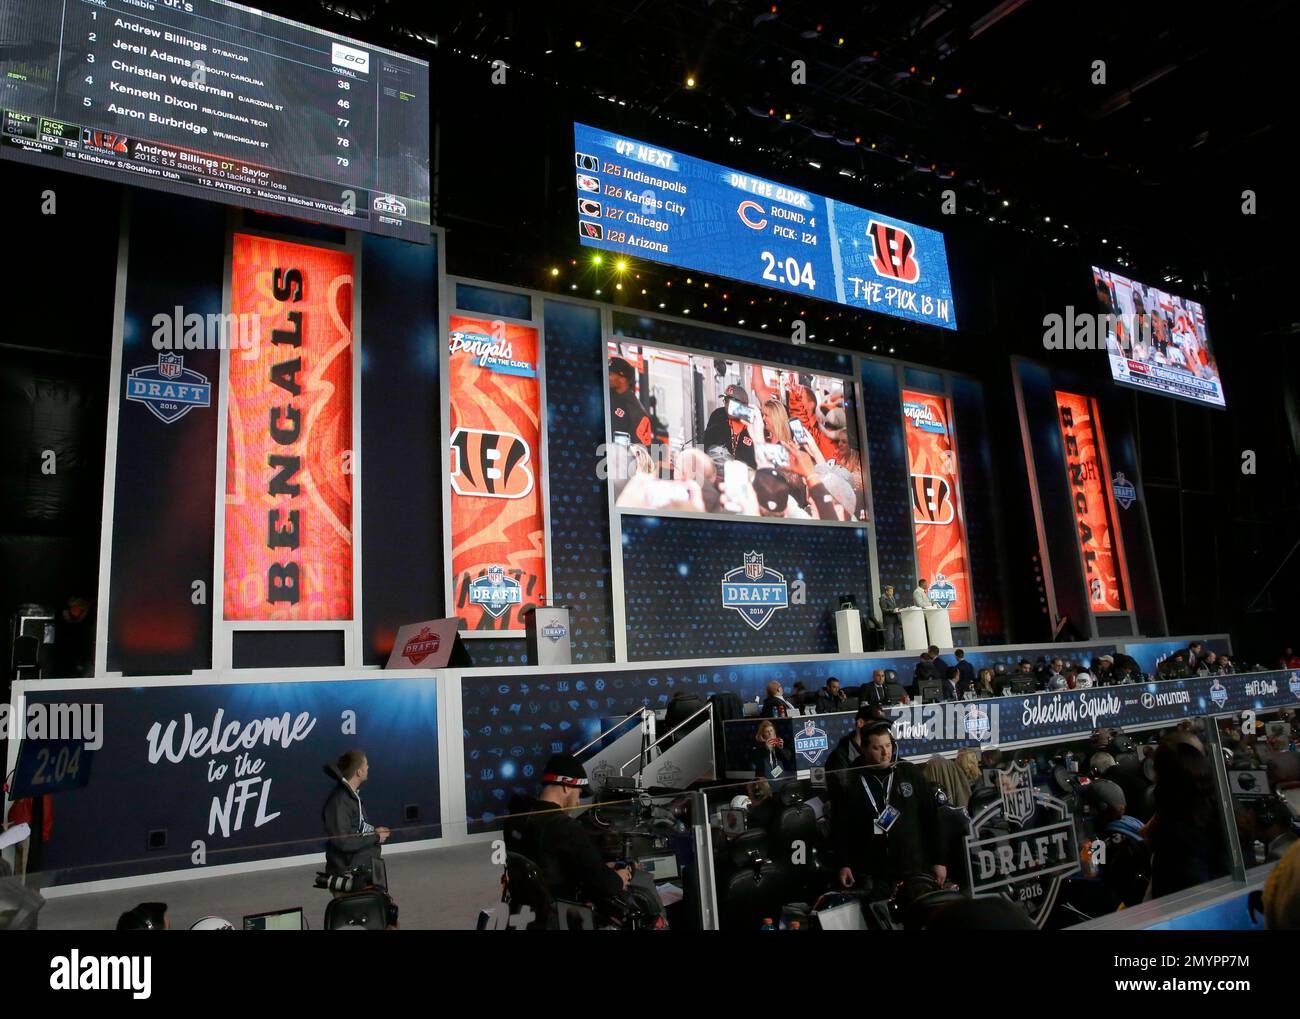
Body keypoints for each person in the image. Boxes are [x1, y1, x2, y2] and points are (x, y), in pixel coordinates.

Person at [829, 720, 945, 891]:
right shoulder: (850, 779)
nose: (885, 753)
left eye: (888, 745)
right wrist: (844, 864)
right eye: (878, 748)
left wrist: (939, 860)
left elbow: (931, 818)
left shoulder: (909, 772)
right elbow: (840, 827)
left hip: (913, 865)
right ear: (864, 749)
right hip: (871, 870)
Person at [504, 753, 630, 910]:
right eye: (578, 794)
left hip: (524, 908)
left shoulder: (515, 819)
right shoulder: (566, 827)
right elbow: (606, 885)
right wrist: (617, 879)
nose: (577, 802)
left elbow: (547, 862)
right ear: (567, 786)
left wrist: (600, 867)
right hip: (559, 911)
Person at [1148, 735, 1231, 899]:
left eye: (1157, 772)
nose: (1153, 779)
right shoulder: (1223, 808)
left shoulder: (1177, 833)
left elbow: (1189, 892)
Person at [322, 750, 390, 881]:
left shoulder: (351, 797)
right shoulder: (339, 802)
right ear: (359, 772)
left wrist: (373, 833)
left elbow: (355, 829)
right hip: (346, 872)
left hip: (361, 867)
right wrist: (375, 837)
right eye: (366, 764)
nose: (368, 767)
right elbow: (343, 842)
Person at [1084, 779, 1151, 910]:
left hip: (1124, 904)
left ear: (1101, 808)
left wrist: (1089, 835)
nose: (1089, 811)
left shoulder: (1104, 839)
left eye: (1091, 807)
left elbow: (1094, 871)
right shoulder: (1132, 822)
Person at [701, 384, 757, 468]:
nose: (726, 405)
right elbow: (704, 444)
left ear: (743, 404)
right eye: (725, 400)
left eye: (730, 401)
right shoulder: (718, 416)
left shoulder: (754, 423)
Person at [608, 356, 653, 447]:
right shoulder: (607, 393)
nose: (606, 376)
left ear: (622, 379)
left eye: (610, 374)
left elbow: (640, 450)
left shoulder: (637, 412)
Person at [879, 584, 902, 650]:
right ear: (886, 591)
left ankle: (898, 650)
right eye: (890, 591)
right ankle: (890, 651)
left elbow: (893, 607)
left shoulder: (892, 597)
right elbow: (884, 609)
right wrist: (892, 610)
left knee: (898, 635)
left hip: (895, 619)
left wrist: (897, 609)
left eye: (892, 591)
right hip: (889, 620)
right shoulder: (883, 598)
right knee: (890, 636)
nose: (892, 593)